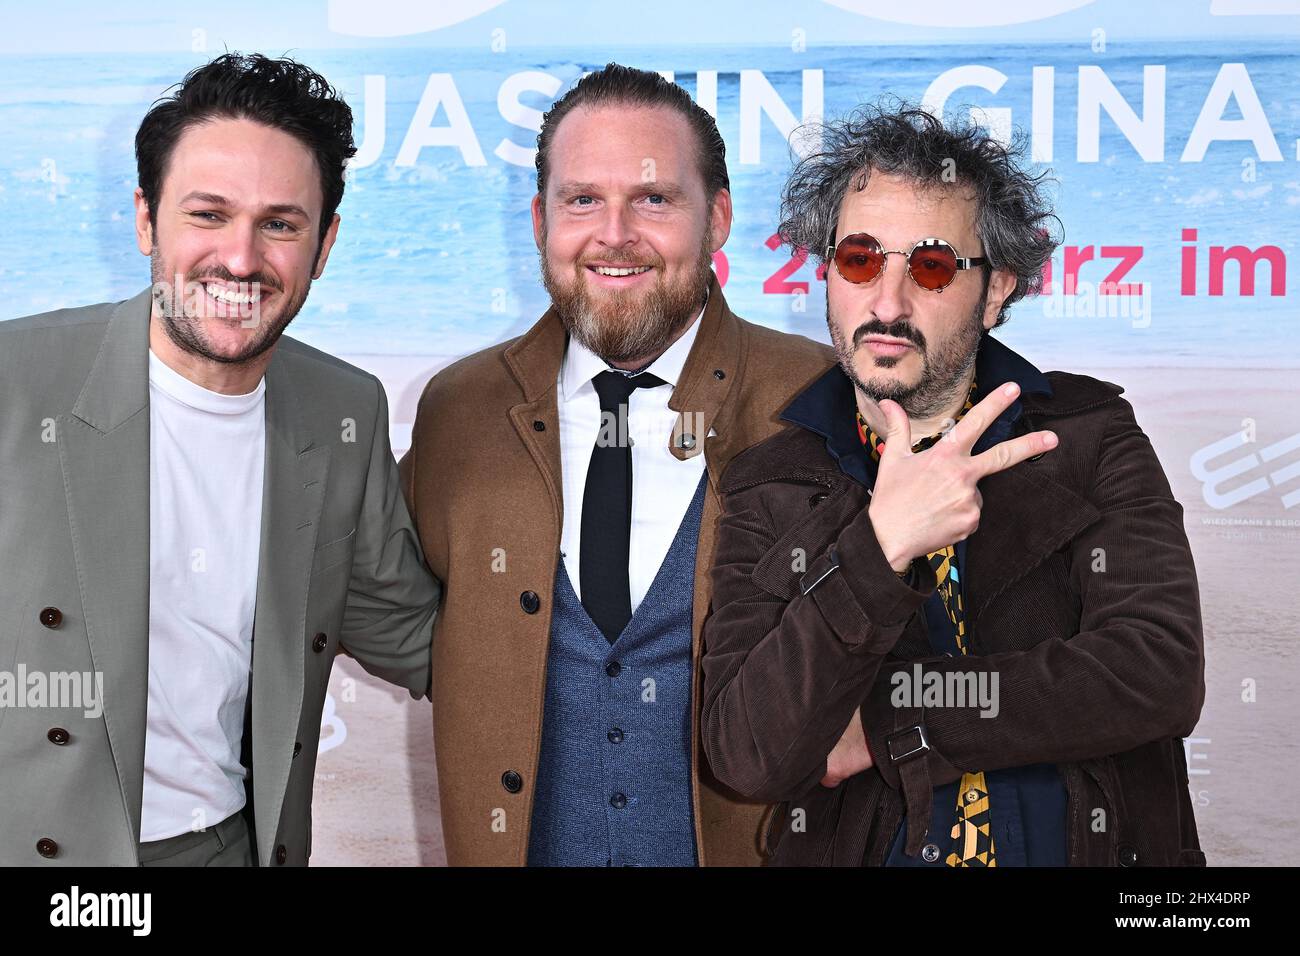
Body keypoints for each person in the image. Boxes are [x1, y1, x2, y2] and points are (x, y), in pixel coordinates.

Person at [700, 102, 1206, 867]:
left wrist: (891, 714)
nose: (888, 303)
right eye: (861, 259)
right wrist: (880, 546)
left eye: (932, 267)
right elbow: (748, 751)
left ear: (996, 288)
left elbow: (1157, 672)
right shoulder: (771, 484)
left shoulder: (1088, 435)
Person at [0, 53, 439, 866]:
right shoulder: (15, 383)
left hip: (225, 849)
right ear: (145, 219)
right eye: (207, 214)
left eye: (280, 223)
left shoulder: (343, 408)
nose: (240, 260)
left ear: (325, 243)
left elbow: (408, 625)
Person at [399, 63, 832, 866]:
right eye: (582, 199)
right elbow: (373, 591)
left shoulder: (815, 398)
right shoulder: (458, 411)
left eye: (655, 199)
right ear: (540, 220)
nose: (615, 233)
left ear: (720, 218)